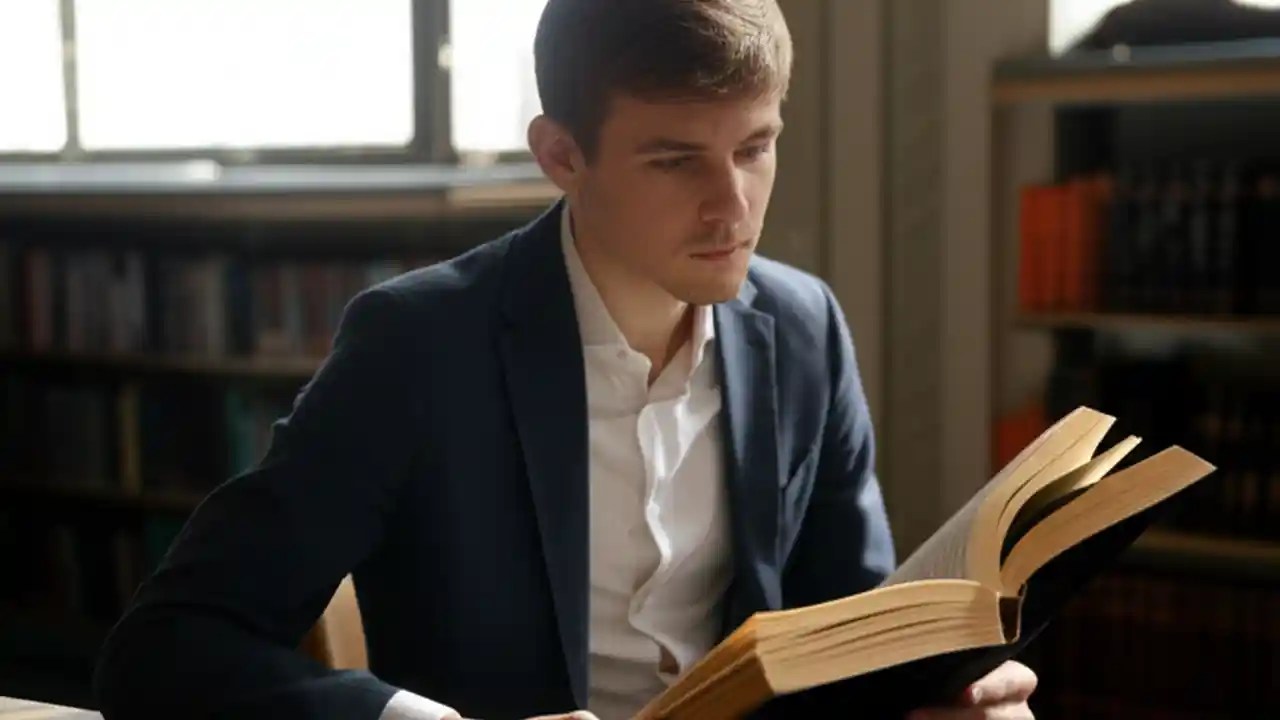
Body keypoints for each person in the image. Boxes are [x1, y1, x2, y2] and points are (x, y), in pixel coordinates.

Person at [91, 1, 1038, 718]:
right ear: (560, 155)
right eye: (676, 161)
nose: (732, 207)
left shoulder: (803, 326)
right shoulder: (417, 347)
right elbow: (168, 648)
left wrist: (928, 694)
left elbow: (846, 627)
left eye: (755, 149)